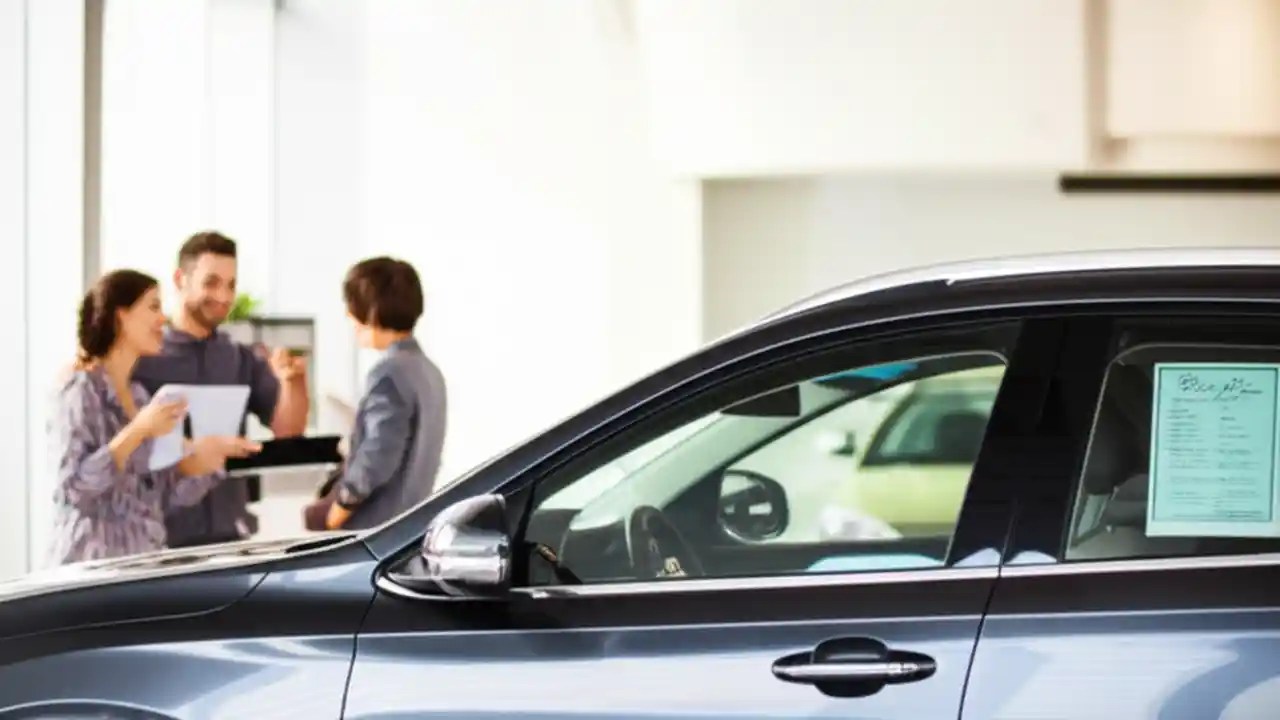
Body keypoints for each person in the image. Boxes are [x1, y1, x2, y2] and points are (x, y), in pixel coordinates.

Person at [47, 270, 260, 566]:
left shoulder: (139, 397)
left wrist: (207, 460)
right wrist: (138, 431)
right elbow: (73, 490)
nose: (163, 319)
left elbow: (163, 498)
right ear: (121, 316)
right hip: (90, 571)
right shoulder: (79, 389)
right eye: (153, 307)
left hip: (141, 569)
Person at [132, 231, 309, 547]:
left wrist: (292, 382)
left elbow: (288, 429)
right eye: (211, 282)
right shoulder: (144, 359)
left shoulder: (240, 357)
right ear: (180, 279)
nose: (224, 296)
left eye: (231, 284)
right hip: (161, 538)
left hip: (231, 536)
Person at [305, 256, 447, 531]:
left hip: (375, 532)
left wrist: (339, 508)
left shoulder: (389, 373)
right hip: (409, 527)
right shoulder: (430, 372)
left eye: (352, 305)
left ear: (371, 311)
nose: (349, 316)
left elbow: (378, 456)